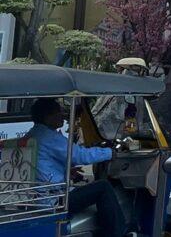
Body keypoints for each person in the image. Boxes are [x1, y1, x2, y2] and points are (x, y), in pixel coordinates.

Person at [24, 98, 129, 237]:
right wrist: (110, 153)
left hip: (41, 198)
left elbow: (42, 165)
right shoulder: (49, 136)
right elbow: (80, 156)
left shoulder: (32, 134)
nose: (63, 115)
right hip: (55, 200)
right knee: (103, 187)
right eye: (59, 112)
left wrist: (67, 171)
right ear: (47, 116)